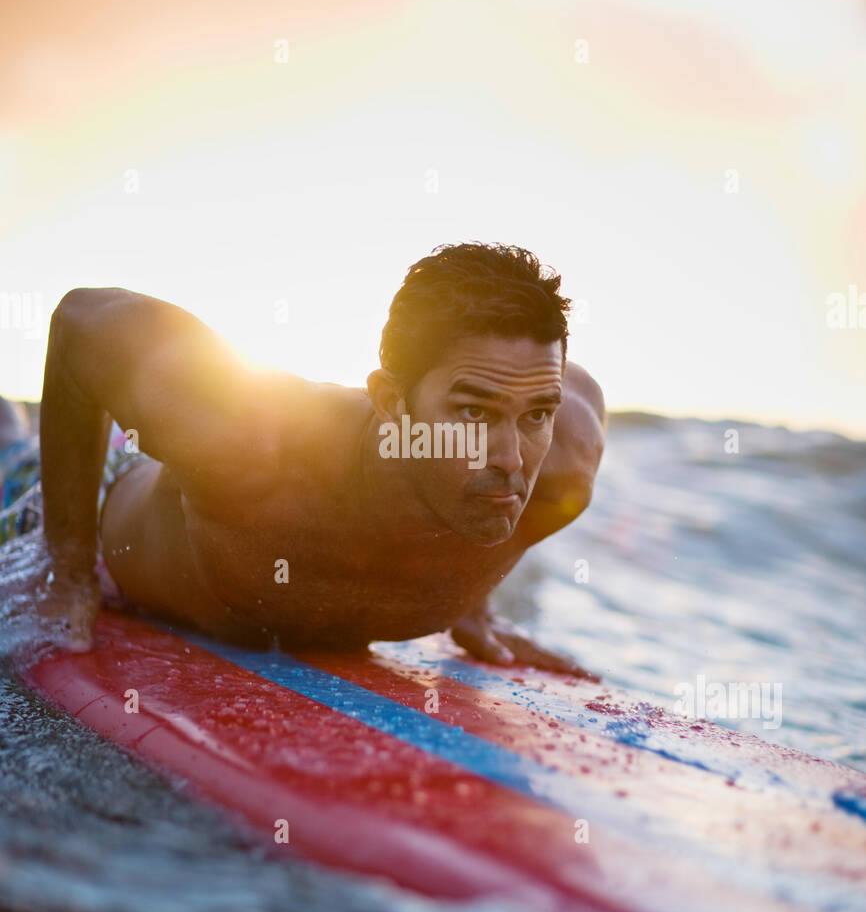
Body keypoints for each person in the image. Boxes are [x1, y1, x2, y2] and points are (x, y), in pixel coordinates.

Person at [0, 243, 605, 674]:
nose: (510, 459)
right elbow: (82, 321)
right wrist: (66, 571)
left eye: (535, 415)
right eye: (473, 413)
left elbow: (533, 395)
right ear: (392, 401)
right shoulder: (253, 446)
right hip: (110, 488)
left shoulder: (561, 471)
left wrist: (474, 596)